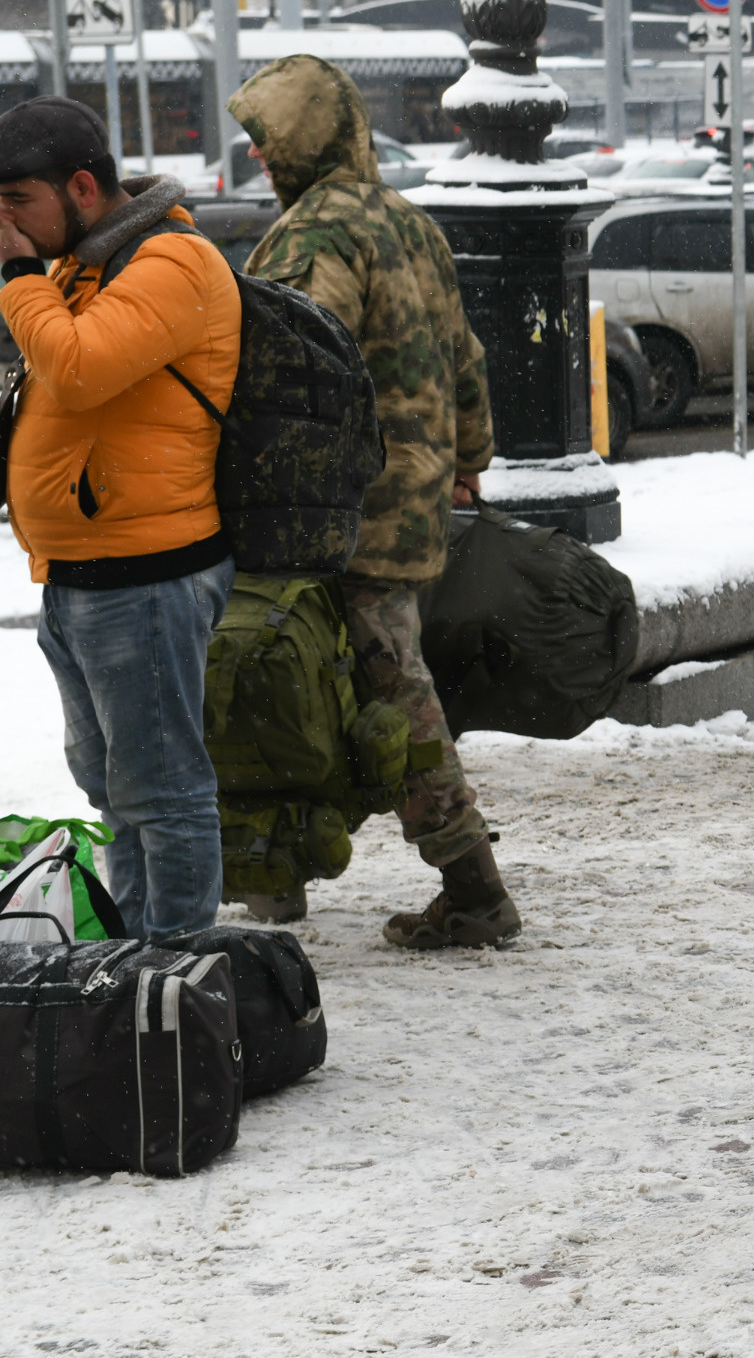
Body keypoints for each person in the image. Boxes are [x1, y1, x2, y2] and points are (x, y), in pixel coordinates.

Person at [230, 55, 508, 946]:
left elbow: (296, 361)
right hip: (412, 499)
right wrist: (470, 459)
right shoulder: (408, 221)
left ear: (304, 142)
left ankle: (475, 892)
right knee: (343, 685)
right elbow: (465, 355)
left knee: (355, 691)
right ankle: (279, 880)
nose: (260, 160)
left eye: (267, 142)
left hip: (338, 512)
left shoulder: (315, 235)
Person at [0, 98, 242, 944]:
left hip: (149, 574)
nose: (6, 226)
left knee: (164, 792)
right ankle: (136, 960)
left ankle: (176, 973)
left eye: (15, 203)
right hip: (82, 576)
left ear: (81, 187)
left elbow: (75, 369)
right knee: (113, 788)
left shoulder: (172, 262)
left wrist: (20, 279)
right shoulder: (81, 262)